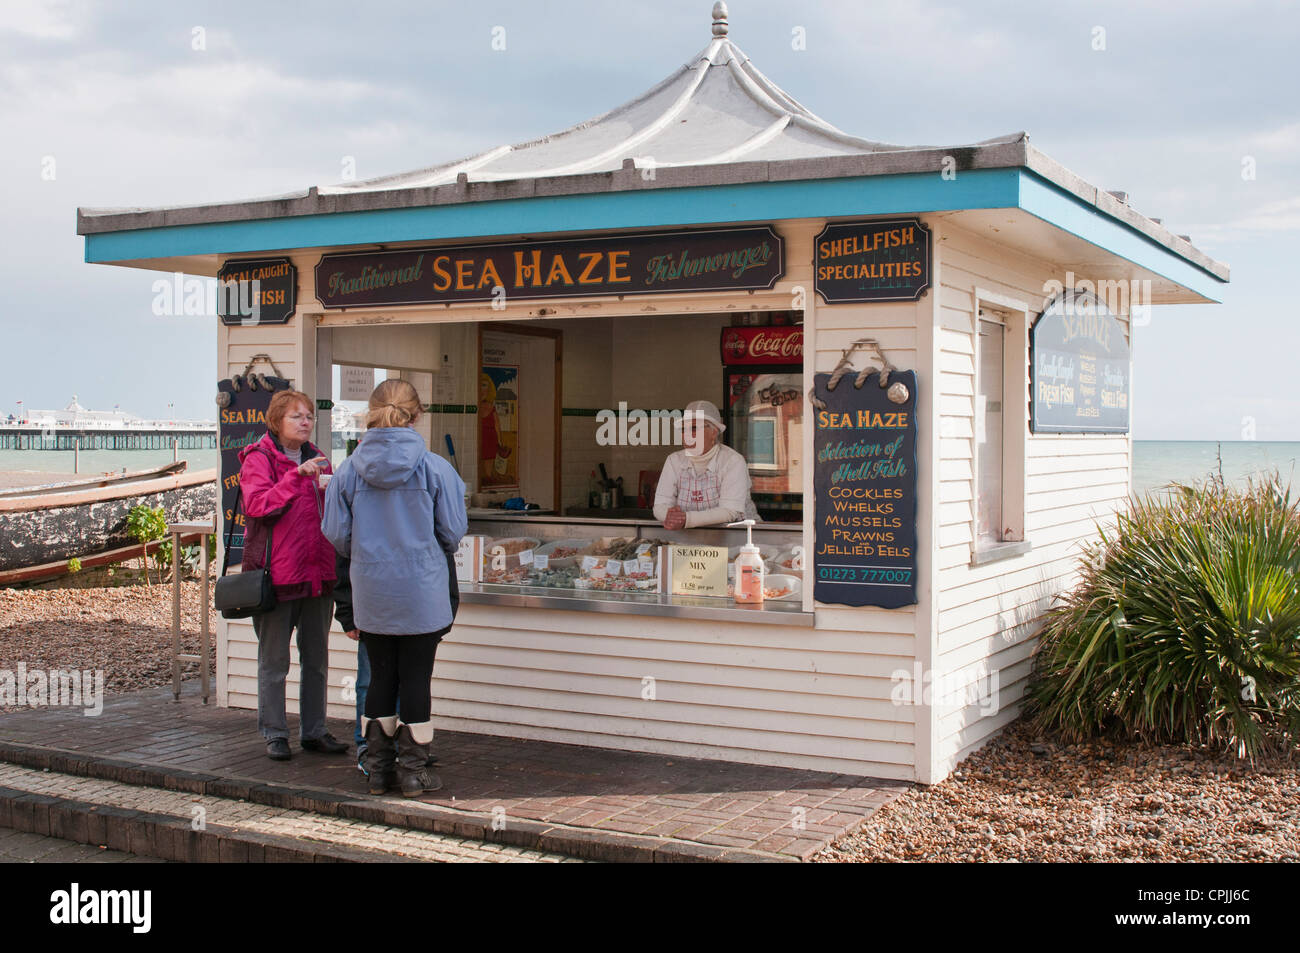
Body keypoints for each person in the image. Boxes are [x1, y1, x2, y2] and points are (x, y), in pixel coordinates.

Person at [322, 379, 467, 797]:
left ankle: (380, 769)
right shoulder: (436, 467)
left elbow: (335, 532)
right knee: (417, 680)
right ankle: (414, 772)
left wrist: (369, 552)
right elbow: (453, 531)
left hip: (372, 590)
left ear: (371, 411)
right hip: (422, 591)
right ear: (417, 415)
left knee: (381, 677)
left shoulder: (348, 469)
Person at [237, 389, 347, 762]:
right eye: (296, 416)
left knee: (316, 659)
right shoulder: (258, 459)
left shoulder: (321, 460)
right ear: (276, 421)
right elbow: (256, 506)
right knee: (274, 662)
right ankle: (275, 733)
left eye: (309, 417)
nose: (305, 422)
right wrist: (294, 479)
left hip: (317, 575)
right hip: (276, 577)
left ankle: (314, 731)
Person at [653, 399, 759, 530]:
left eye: (693, 428)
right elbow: (660, 505)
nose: (687, 435)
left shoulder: (732, 461)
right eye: (683, 429)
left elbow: (729, 511)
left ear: (713, 432)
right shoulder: (674, 461)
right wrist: (669, 516)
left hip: (738, 537)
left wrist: (686, 519)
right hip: (690, 538)